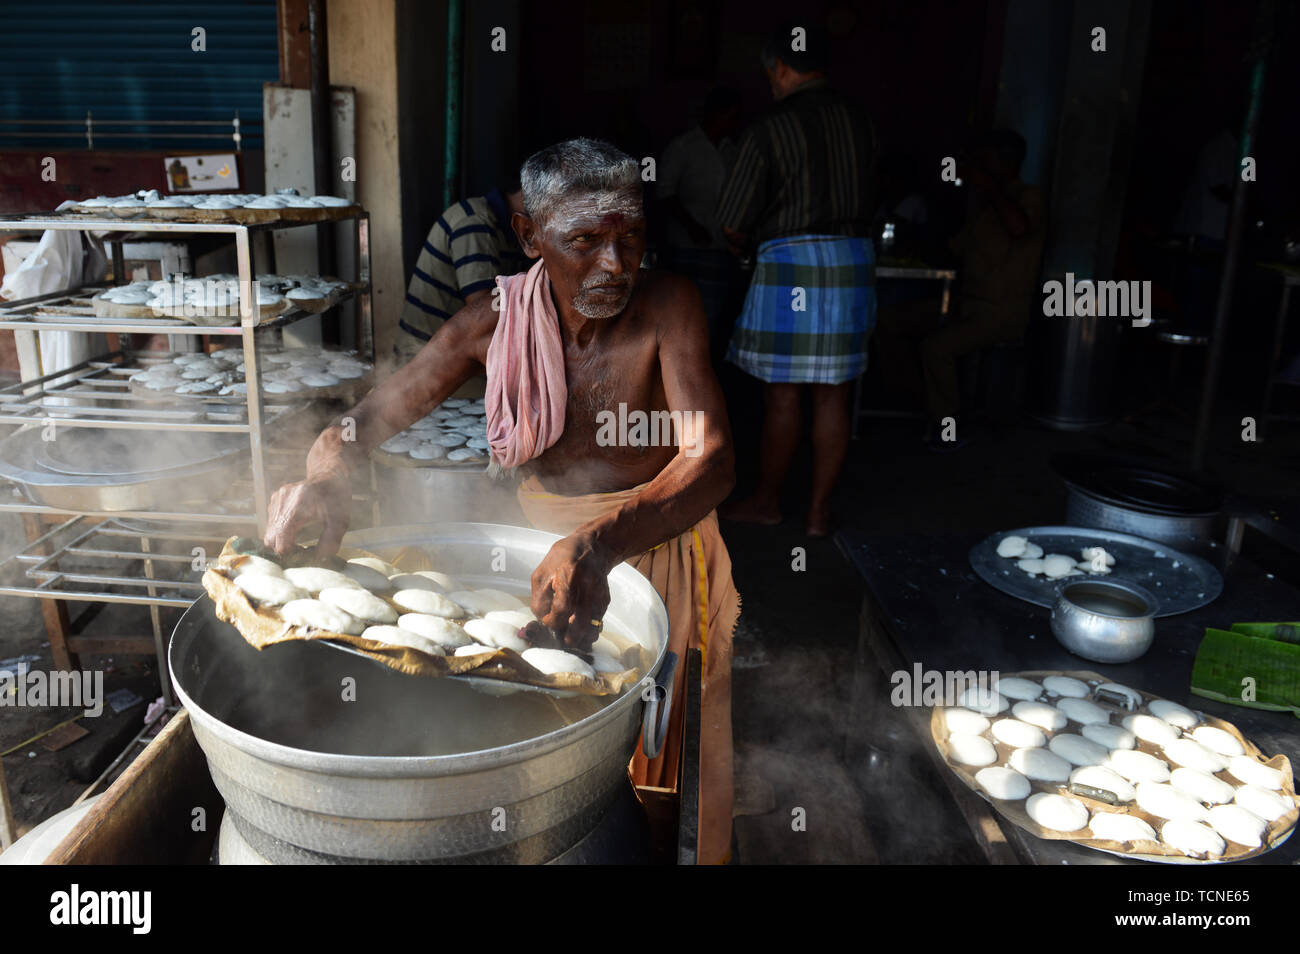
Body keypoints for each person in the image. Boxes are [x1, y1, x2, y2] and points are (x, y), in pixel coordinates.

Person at [263, 139, 741, 865]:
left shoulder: (668, 308)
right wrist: (326, 471)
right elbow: (368, 419)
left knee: (666, 755)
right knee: (556, 738)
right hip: (550, 563)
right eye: (585, 241)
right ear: (530, 236)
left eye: (631, 237)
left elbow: (710, 458)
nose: (616, 264)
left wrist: (603, 542)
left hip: (654, 548)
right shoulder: (491, 321)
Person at [714, 22, 878, 537]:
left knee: (783, 394)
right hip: (853, 258)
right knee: (835, 393)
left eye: (771, 75)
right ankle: (818, 514)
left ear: (780, 68)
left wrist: (741, 242)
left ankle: (767, 502)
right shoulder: (863, 120)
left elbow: (733, 221)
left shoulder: (769, 127)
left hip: (791, 264)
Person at [918, 129, 1045, 447]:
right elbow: (952, 251)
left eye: (984, 162)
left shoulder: (1027, 198)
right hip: (964, 304)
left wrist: (989, 188)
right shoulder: (985, 209)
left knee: (937, 347)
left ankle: (947, 428)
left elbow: (1019, 228)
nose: (977, 168)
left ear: (1003, 163)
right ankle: (919, 399)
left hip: (1000, 314)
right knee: (891, 321)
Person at [395, 181, 529, 368]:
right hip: (425, 363)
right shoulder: (475, 221)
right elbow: (483, 315)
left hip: (452, 357)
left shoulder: (515, 232)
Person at [656, 87, 743, 361]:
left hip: (720, 249)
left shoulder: (732, 151)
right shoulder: (684, 147)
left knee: (712, 320)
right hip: (686, 249)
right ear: (719, 114)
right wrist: (692, 226)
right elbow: (664, 192)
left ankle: (703, 374)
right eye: (732, 116)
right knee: (683, 318)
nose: (735, 122)